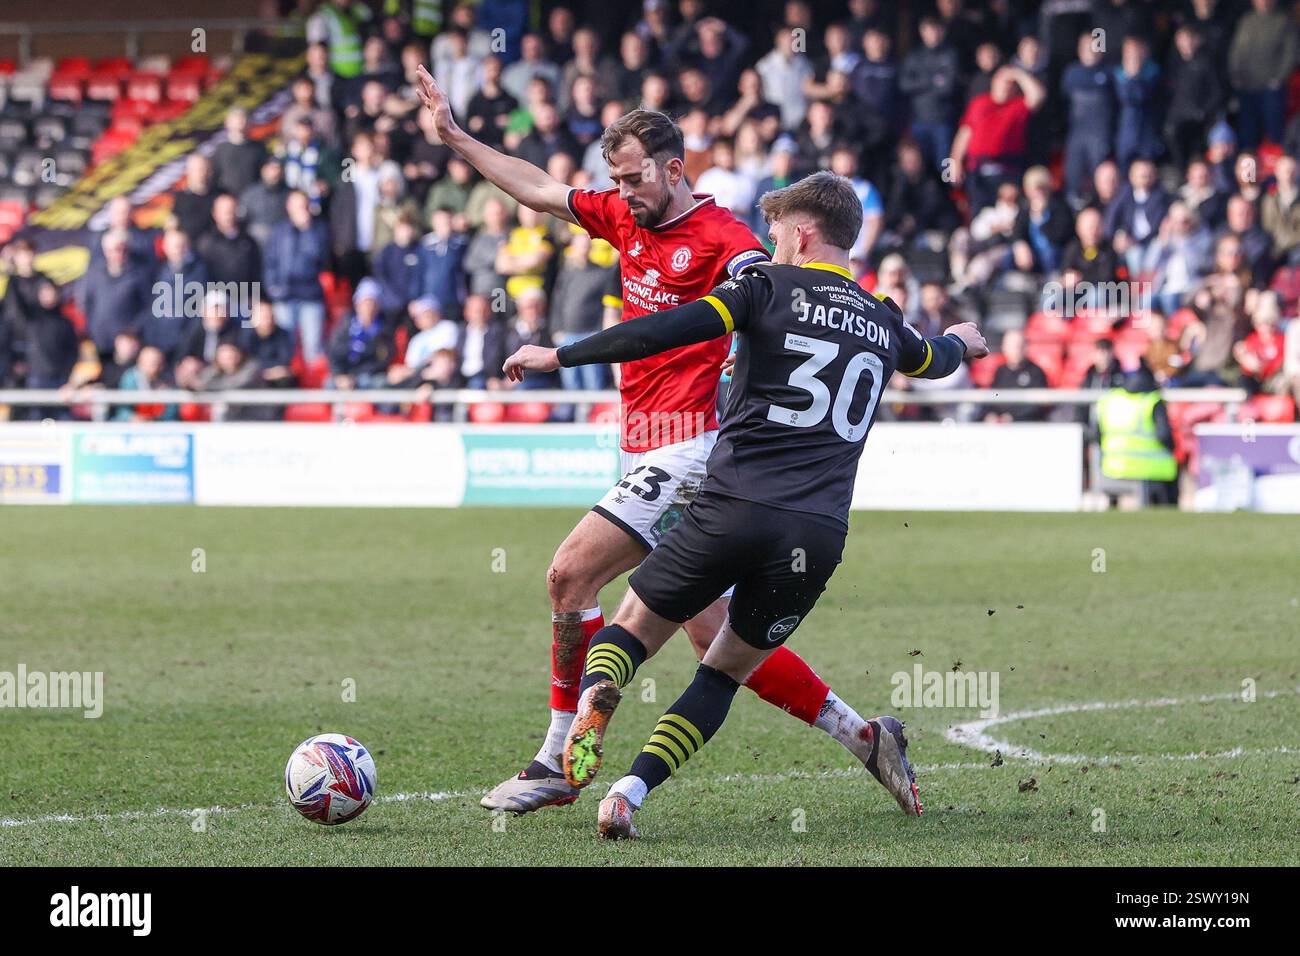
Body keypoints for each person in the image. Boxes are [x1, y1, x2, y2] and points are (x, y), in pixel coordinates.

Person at [415, 65, 896, 815]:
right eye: (616, 178)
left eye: (636, 177)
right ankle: (865, 736)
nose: (626, 191)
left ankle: (556, 761)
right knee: (715, 639)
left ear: (676, 169)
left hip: (694, 445)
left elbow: (778, 286)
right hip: (648, 443)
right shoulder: (625, 217)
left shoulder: (726, 240)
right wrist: (457, 137)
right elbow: (538, 188)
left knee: (569, 575)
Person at [503, 171, 988, 837]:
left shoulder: (766, 286)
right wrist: (966, 339)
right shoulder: (883, 319)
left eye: (776, 234)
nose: (770, 246)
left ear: (802, 234)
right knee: (722, 674)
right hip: (817, 534)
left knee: (633, 628)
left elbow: (667, 330)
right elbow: (937, 359)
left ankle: (597, 696)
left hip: (733, 507)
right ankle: (626, 794)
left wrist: (562, 353)